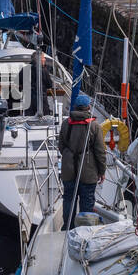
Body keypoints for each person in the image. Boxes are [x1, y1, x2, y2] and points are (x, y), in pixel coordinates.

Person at [58, 94, 106, 228]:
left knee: (69, 199)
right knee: (87, 201)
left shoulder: (65, 123)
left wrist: (68, 157)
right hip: (88, 171)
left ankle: (68, 227)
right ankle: (84, 229)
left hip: (68, 170)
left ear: (75, 107)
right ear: (88, 107)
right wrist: (102, 171)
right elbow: (100, 151)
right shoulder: (95, 126)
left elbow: (61, 146)